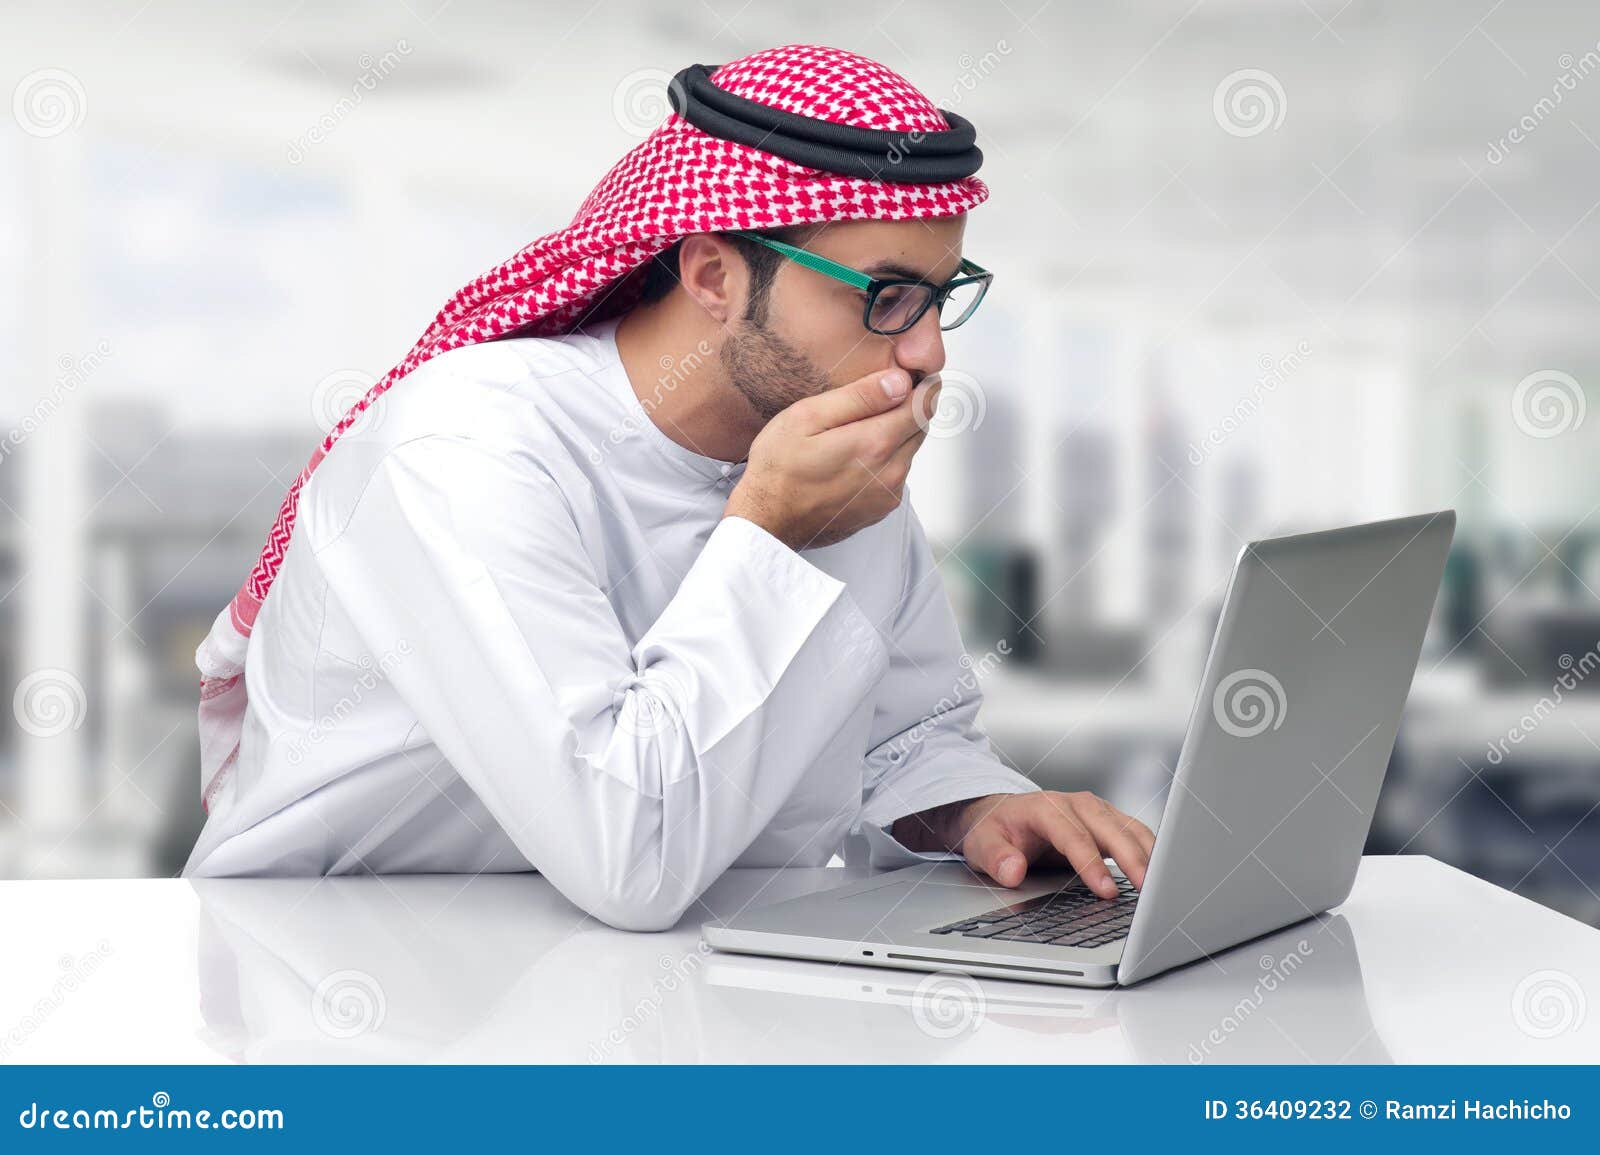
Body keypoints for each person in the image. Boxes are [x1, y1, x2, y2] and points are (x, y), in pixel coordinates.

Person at [183, 44, 1155, 931]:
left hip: (668, 985)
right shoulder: (467, 448)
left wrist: (971, 806)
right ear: (712, 275)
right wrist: (771, 536)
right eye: (884, 296)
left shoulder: (827, 447)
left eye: (939, 299)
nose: (927, 349)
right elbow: (630, 862)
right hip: (338, 980)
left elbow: (901, 736)